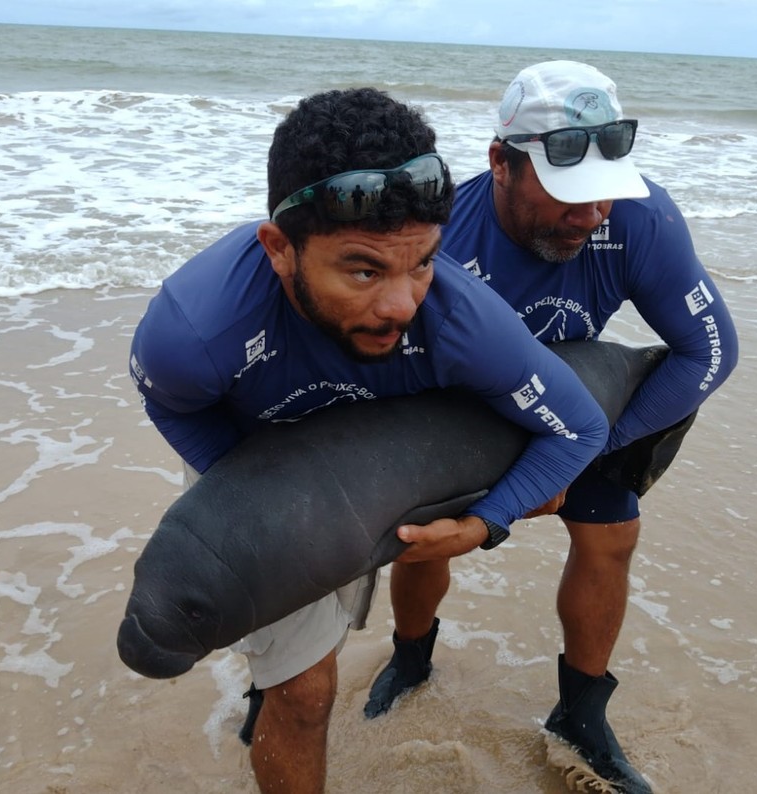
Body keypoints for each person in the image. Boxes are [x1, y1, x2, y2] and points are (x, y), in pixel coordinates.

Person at [128, 86, 609, 794]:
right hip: (261, 455)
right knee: (305, 694)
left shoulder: (460, 319)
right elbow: (172, 405)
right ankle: (277, 687)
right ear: (278, 250)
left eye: (421, 262)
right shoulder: (193, 335)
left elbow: (579, 428)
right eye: (362, 269)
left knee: (336, 615)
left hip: (374, 462)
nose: (401, 304)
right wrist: (257, 495)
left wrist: (486, 522)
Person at [367, 61, 739, 793]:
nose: (592, 214)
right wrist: (496, 497)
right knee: (420, 548)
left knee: (613, 537)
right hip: (463, 412)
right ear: (500, 162)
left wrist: (589, 449)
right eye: (569, 195)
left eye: (605, 194)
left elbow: (711, 349)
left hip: (584, 412)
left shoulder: (638, 217)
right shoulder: (441, 245)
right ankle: (411, 657)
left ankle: (581, 714)